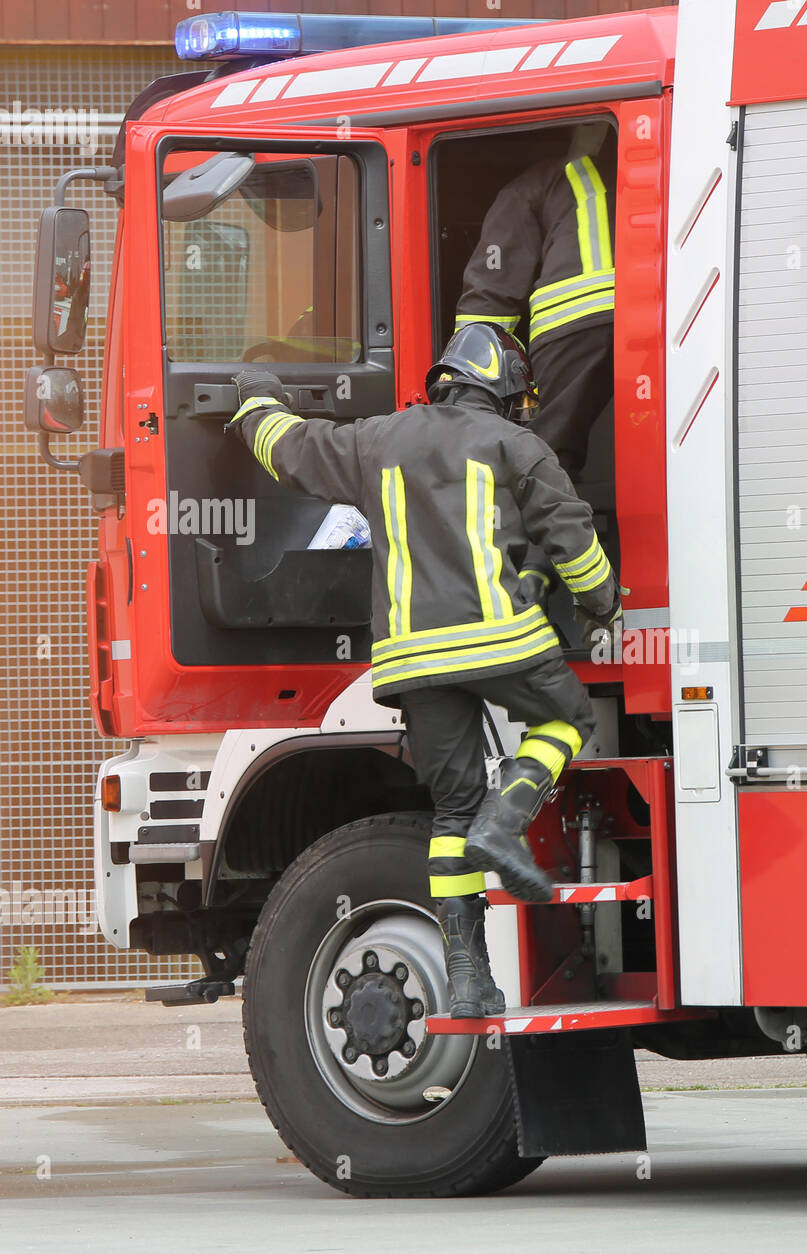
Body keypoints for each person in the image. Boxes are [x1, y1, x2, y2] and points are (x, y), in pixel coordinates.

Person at [227, 323, 622, 1018]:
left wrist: (256, 396)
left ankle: (469, 980)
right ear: (502, 389)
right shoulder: (515, 444)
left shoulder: (377, 440)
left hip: (413, 661)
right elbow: (571, 531)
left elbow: (288, 448)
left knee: (451, 812)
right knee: (566, 717)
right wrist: (601, 601)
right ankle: (509, 819)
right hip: (500, 640)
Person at [455, 126, 615, 484]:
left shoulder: (528, 185)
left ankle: (552, 529)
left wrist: (464, 380)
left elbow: (491, 294)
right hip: (645, 317)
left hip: (573, 320)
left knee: (546, 450)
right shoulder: (634, 170)